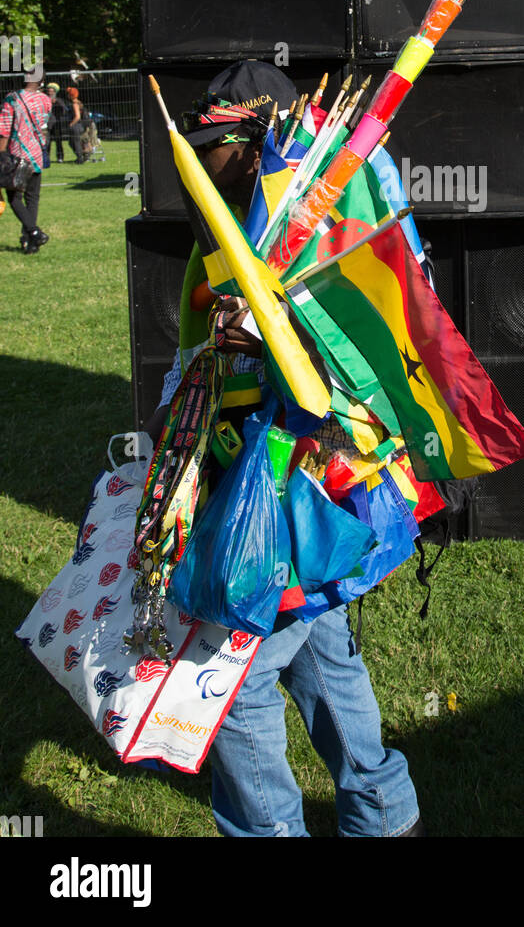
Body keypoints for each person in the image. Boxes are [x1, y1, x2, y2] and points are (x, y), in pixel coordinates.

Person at [143, 59, 423, 838]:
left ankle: (276, 830)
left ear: (265, 138)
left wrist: (275, 335)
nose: (202, 159)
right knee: (322, 651)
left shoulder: (327, 217)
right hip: (255, 483)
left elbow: (353, 358)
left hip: (299, 488)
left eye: (218, 145)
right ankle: (386, 815)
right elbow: (194, 350)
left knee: (229, 684)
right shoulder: (225, 230)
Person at [0, 64, 52, 253]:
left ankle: (34, 232)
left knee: (14, 197)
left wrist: (2, 155)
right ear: (41, 81)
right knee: (33, 198)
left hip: (17, 154)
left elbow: (4, 129)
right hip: (37, 154)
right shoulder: (46, 100)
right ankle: (30, 243)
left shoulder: (13, 99)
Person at [46, 82, 68, 162]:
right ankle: (46, 158)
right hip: (47, 124)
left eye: (51, 91)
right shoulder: (44, 99)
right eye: (49, 91)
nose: (50, 93)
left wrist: (57, 103)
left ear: (55, 92)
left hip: (57, 124)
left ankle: (60, 157)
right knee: (47, 142)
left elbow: (64, 110)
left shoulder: (59, 100)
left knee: (58, 141)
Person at [67, 85, 86, 163]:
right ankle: (80, 156)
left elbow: (77, 116)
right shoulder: (79, 102)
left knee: (75, 142)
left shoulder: (75, 104)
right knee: (72, 142)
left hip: (76, 126)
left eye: (68, 94)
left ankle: (80, 158)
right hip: (79, 126)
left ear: (71, 95)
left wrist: (71, 124)